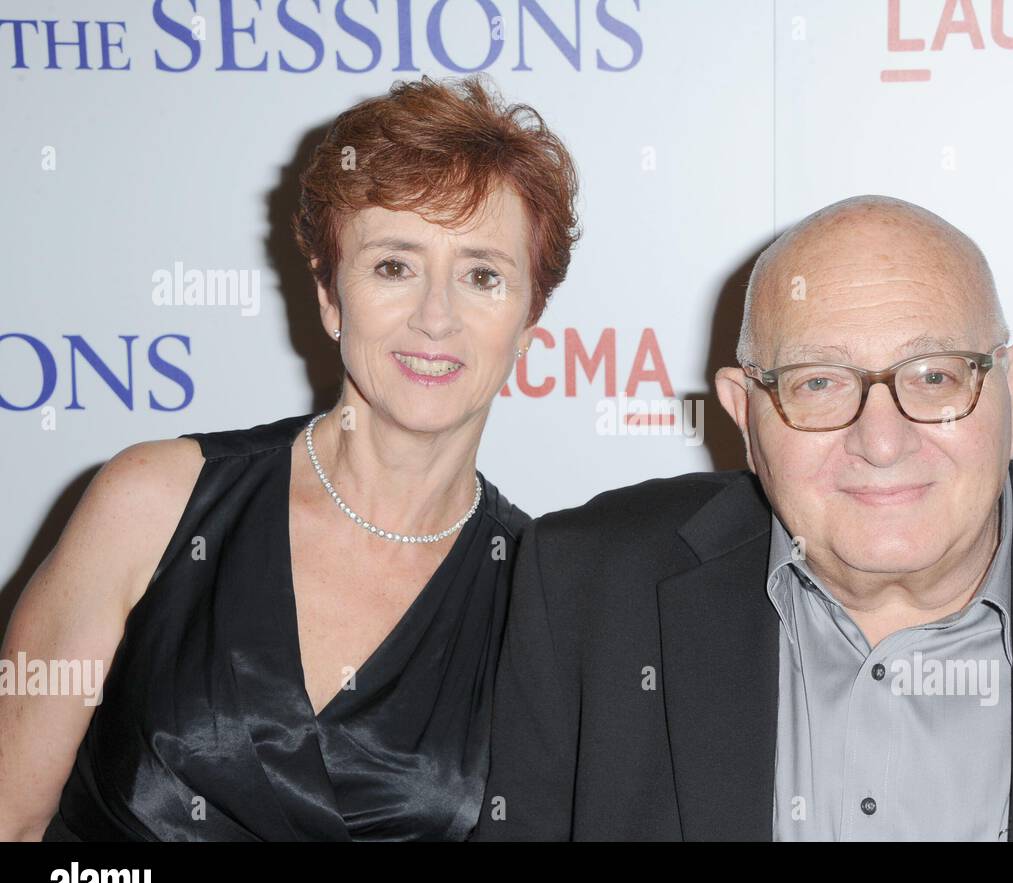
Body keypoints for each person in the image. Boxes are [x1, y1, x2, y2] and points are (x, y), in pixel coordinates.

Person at [475, 195, 1013, 842]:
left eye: (935, 377)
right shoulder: (585, 588)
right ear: (744, 415)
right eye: (819, 382)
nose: (880, 439)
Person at [0, 73, 580, 841]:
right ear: (330, 296)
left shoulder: (542, 598)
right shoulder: (156, 502)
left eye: (482, 275)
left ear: (529, 324)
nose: (436, 317)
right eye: (394, 266)